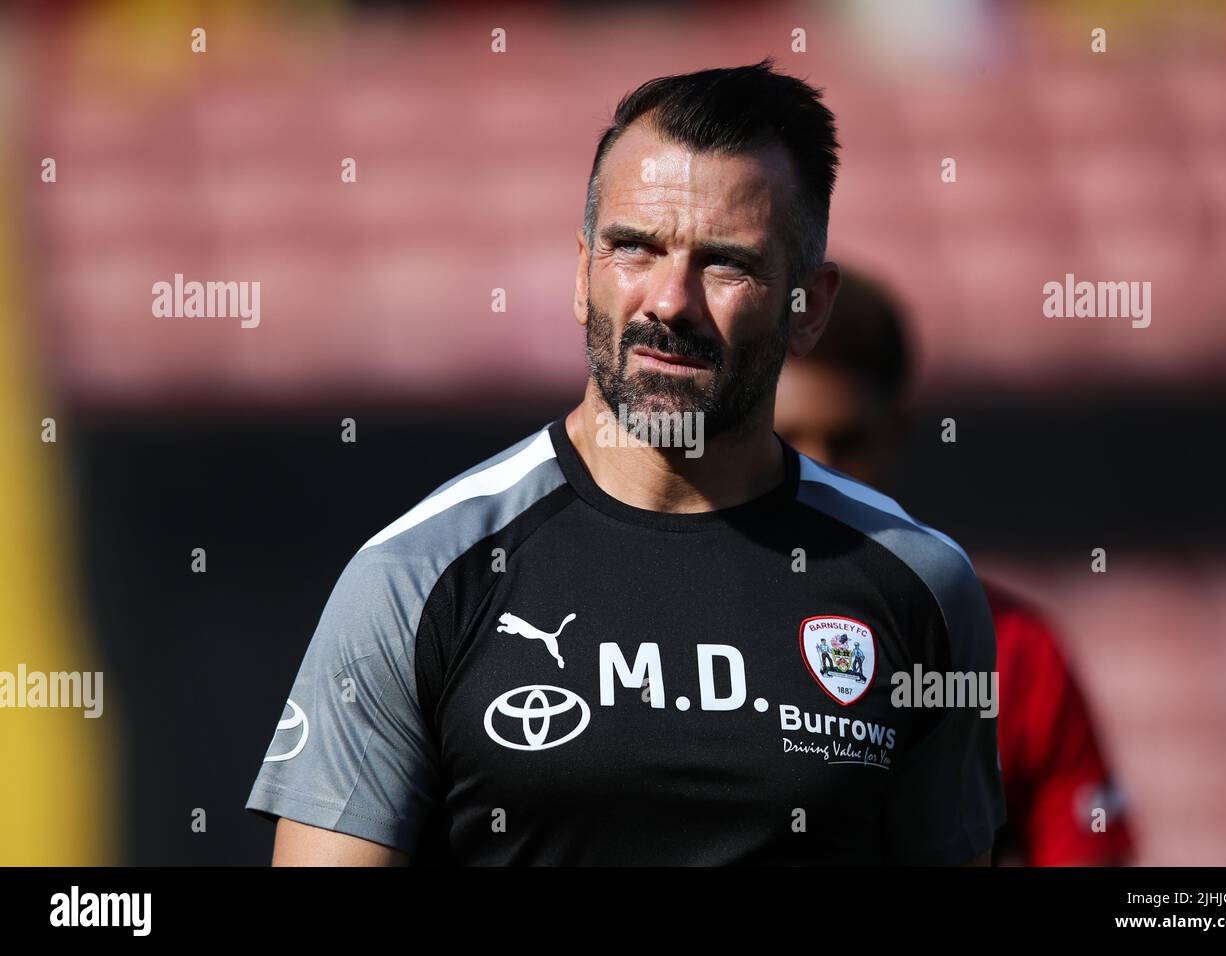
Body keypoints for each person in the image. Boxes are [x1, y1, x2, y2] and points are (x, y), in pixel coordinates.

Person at [246, 60, 1003, 865]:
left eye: (726, 263)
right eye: (634, 249)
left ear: (807, 306)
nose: (670, 300)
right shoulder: (415, 573)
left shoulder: (921, 586)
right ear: (581, 274)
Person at [775, 270, 1134, 865]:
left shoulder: (1014, 652)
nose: (823, 475)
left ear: (895, 435)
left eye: (848, 441)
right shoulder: (674, 626)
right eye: (786, 442)